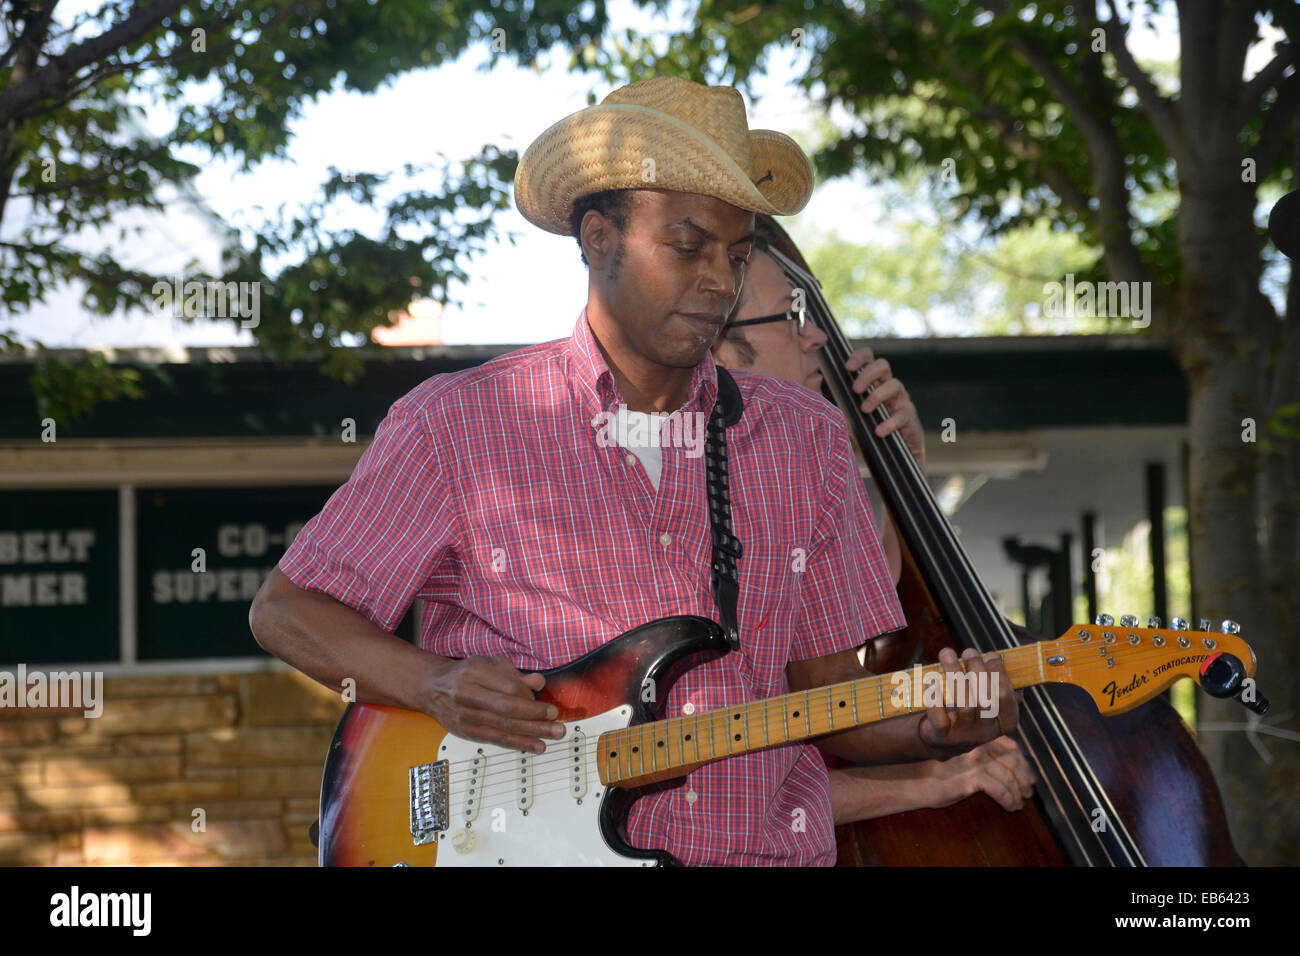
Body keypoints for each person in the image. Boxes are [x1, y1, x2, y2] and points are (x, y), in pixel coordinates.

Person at [249, 75, 1017, 865]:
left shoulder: (810, 441)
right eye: (688, 245)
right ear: (598, 238)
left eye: (737, 251)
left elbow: (828, 713)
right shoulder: (458, 423)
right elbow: (287, 610)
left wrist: (935, 723)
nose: (719, 278)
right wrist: (434, 683)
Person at [712, 214, 1034, 823]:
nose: (818, 340)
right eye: (792, 317)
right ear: (717, 345)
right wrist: (928, 776)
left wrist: (902, 470)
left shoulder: (793, 475)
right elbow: (724, 784)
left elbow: (871, 622)